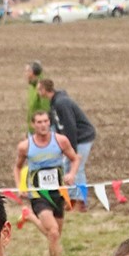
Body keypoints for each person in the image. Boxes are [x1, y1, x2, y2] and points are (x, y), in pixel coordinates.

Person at [11, 111, 78, 256]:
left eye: (46, 121)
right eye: (39, 122)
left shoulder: (61, 141)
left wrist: (72, 174)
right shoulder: (25, 146)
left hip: (58, 192)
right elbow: (17, 168)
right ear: (33, 125)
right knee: (53, 232)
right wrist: (20, 187)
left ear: (50, 122)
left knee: (55, 235)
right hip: (38, 194)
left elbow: (75, 159)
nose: (43, 125)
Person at [40, 79, 97, 210]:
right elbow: (57, 126)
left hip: (82, 137)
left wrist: (72, 150)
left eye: (39, 89)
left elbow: (70, 126)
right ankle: (71, 200)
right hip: (74, 139)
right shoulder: (54, 104)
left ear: (44, 89)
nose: (38, 92)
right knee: (67, 167)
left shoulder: (61, 103)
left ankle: (81, 202)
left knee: (77, 168)